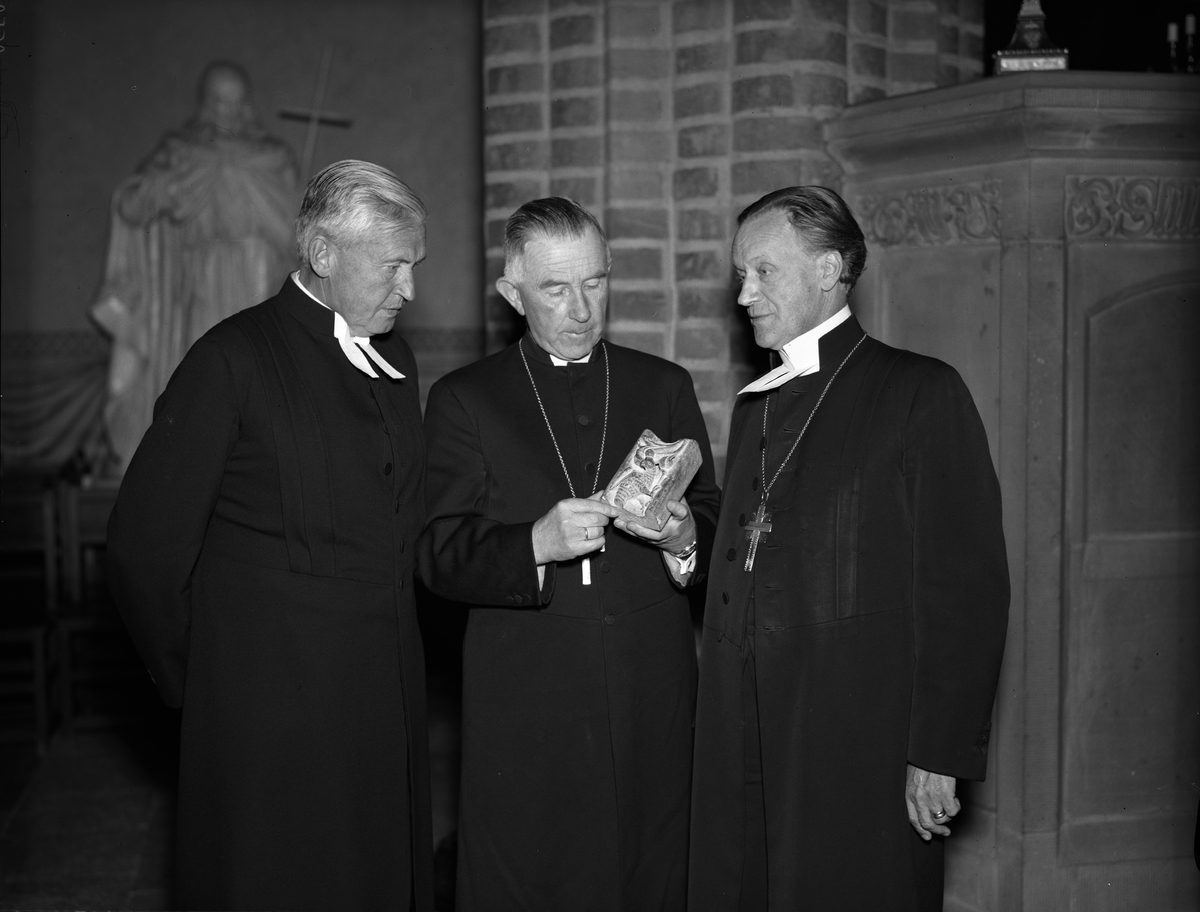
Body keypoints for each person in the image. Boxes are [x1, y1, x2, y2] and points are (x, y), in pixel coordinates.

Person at [106, 160, 433, 911]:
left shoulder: (398, 363)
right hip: (269, 715)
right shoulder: (232, 358)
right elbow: (143, 549)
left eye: (413, 266)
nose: (409, 289)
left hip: (382, 704)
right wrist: (211, 677)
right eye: (393, 267)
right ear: (322, 255)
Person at [688, 186, 1009, 910]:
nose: (743, 294)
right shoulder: (756, 405)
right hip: (745, 725)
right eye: (742, 273)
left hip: (855, 732)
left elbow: (968, 589)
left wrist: (937, 752)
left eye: (763, 272)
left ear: (830, 268)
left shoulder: (920, 392)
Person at [418, 197, 721, 911]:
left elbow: (710, 513)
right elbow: (435, 551)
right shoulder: (466, 400)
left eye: (596, 282)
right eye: (556, 288)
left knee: (654, 869)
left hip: (652, 683)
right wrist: (534, 544)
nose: (582, 308)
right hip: (530, 695)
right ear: (512, 294)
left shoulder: (663, 384)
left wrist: (683, 537)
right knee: (537, 877)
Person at [92, 61, 298, 473]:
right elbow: (133, 204)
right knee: (207, 370)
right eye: (220, 102)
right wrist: (164, 190)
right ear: (207, 104)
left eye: (236, 103)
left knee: (258, 371)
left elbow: (300, 228)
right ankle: (200, 463)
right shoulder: (183, 150)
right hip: (202, 274)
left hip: (258, 275)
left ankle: (256, 464)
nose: (229, 112)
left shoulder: (270, 157)